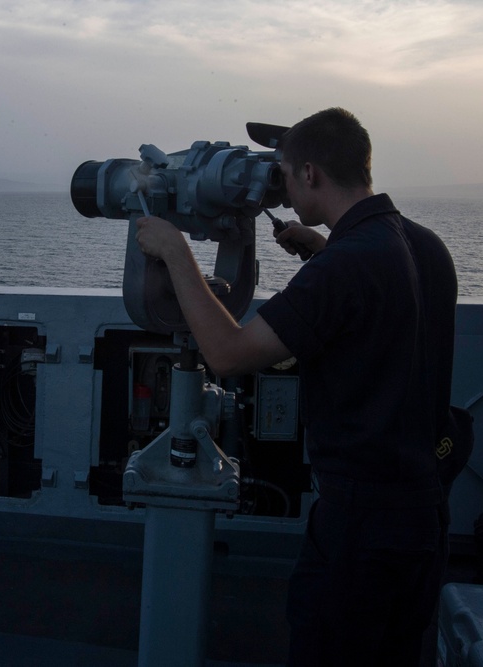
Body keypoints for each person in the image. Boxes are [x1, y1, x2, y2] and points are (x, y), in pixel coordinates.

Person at [135, 107, 457, 666]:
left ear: (309, 174)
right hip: (420, 513)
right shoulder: (422, 246)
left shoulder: (345, 268)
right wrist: (322, 248)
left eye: (282, 171)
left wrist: (175, 252)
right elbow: (376, 300)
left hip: (360, 528)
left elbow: (228, 353)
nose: (277, 184)